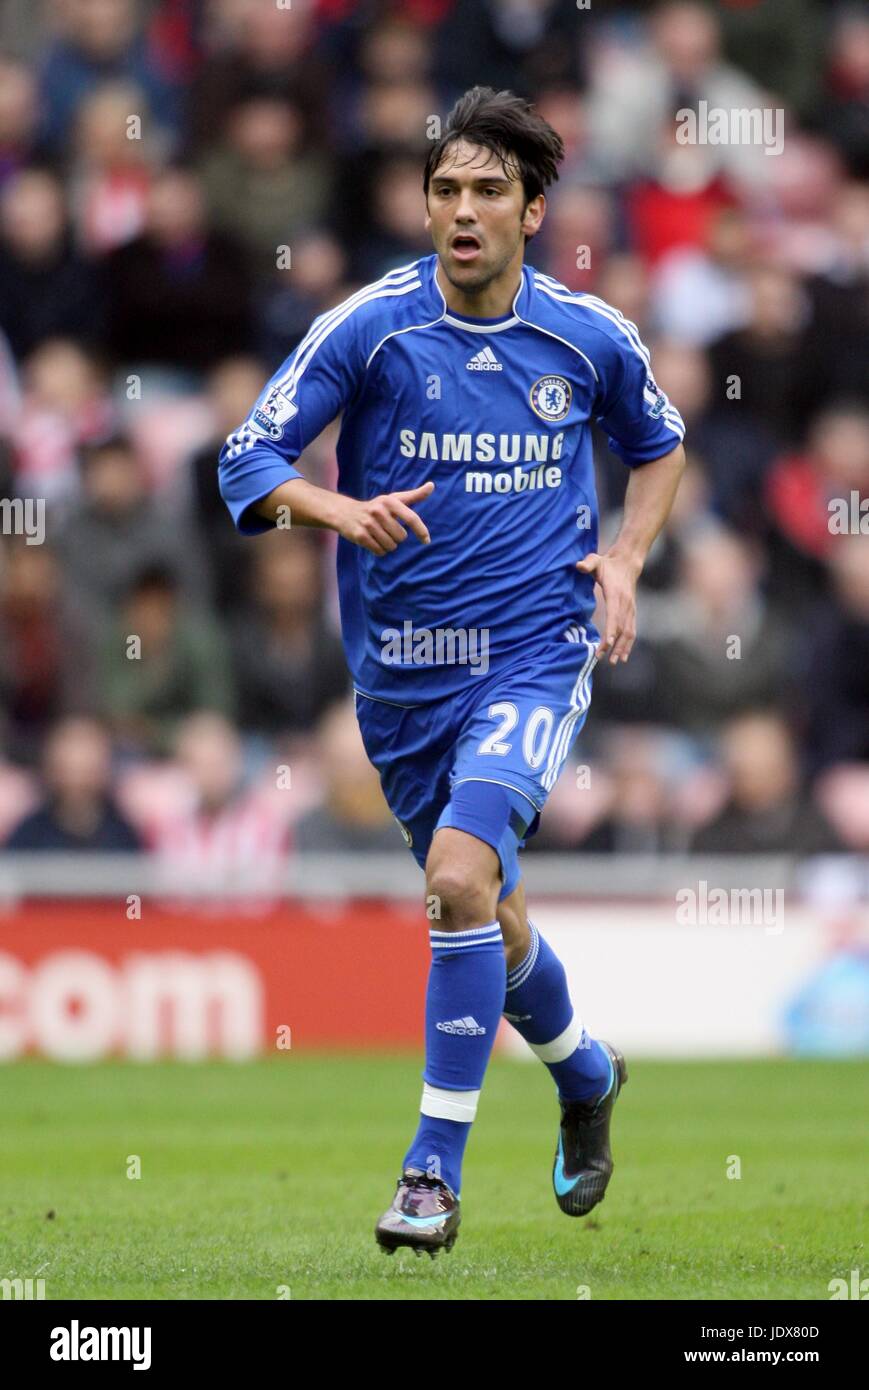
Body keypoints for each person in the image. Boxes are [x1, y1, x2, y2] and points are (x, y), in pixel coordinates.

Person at [218, 86, 687, 1256]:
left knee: (456, 874)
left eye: (488, 191)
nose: (463, 211)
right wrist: (337, 508)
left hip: (535, 653)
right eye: (444, 190)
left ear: (533, 210)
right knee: (485, 901)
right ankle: (582, 1072)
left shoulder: (585, 337)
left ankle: (430, 1172)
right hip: (401, 680)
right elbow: (246, 456)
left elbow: (660, 443)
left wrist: (624, 559)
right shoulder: (367, 329)